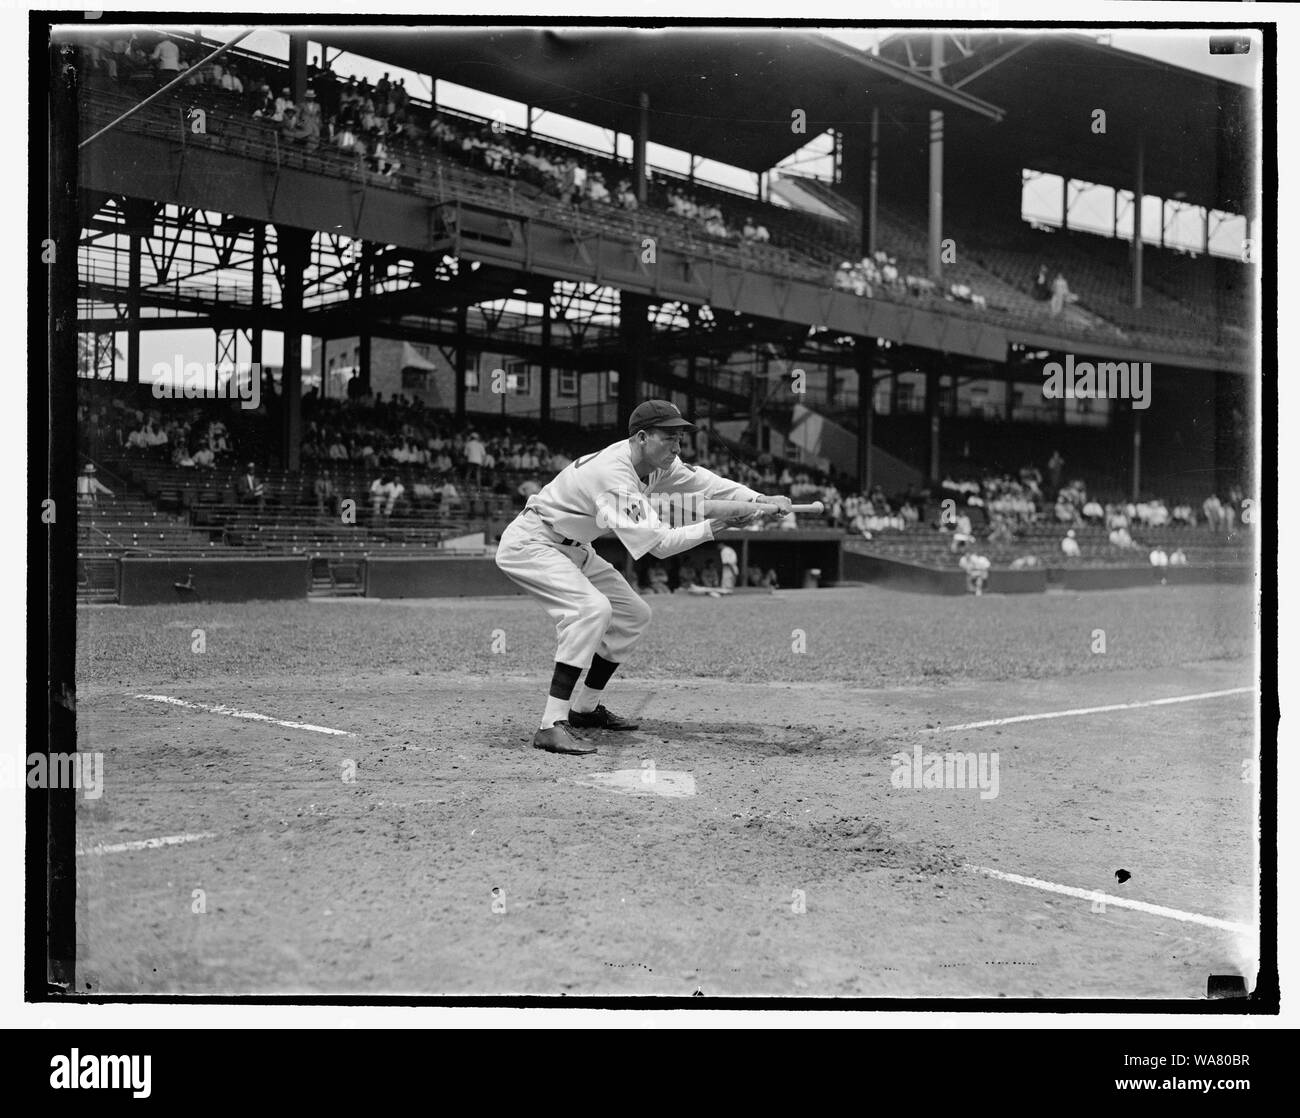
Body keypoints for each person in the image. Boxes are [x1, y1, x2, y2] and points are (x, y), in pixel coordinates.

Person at [494, 399, 791, 755]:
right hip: (534, 541)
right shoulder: (613, 475)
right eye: (669, 437)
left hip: (576, 546)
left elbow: (706, 484)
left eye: (680, 438)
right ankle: (550, 725)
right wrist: (714, 526)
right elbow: (660, 546)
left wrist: (758, 498)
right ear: (641, 437)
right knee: (592, 610)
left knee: (634, 614)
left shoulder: (658, 464)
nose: (677, 447)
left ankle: (584, 710)